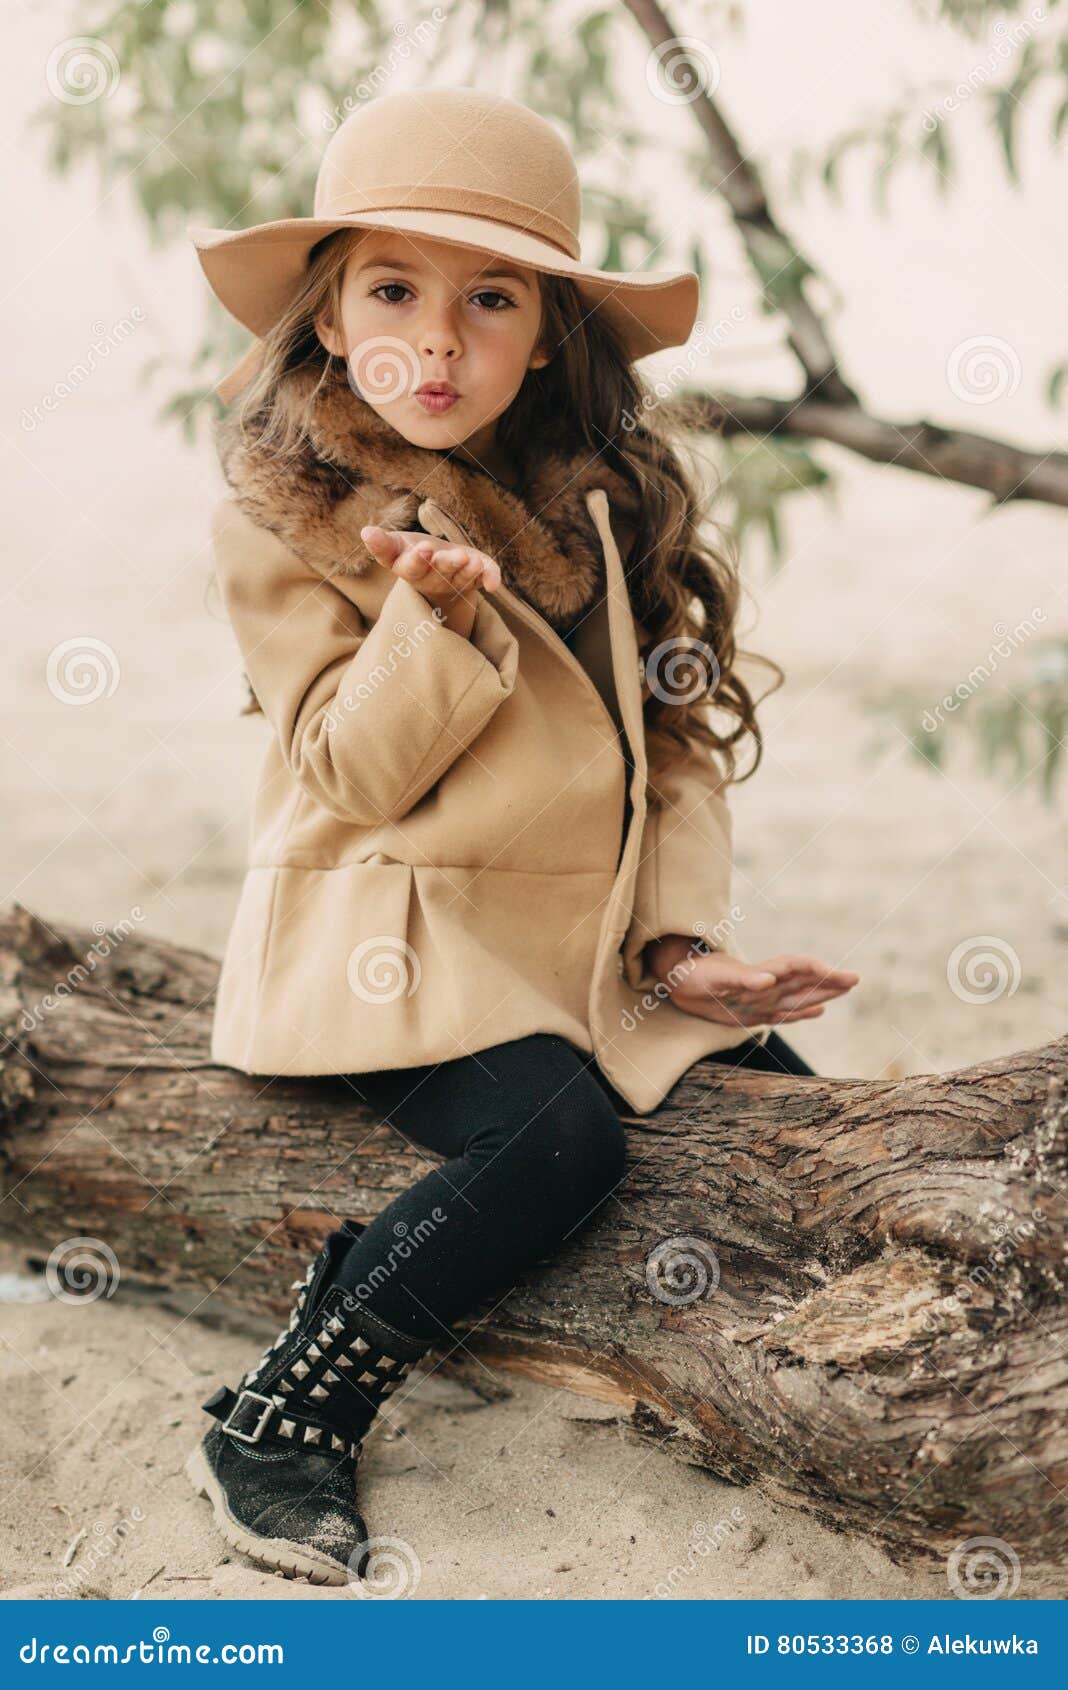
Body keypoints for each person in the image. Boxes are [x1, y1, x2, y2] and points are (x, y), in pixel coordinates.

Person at [185, 86, 859, 1587]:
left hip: (579, 952)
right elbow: (348, 770)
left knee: (795, 1109)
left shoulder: (595, 509)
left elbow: (669, 746)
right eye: (392, 291)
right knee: (559, 1140)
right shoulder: (283, 520)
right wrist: (428, 620)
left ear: (548, 332)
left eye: (490, 298)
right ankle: (291, 1406)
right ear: (329, 311)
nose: (436, 341)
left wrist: (677, 945)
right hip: (392, 945)